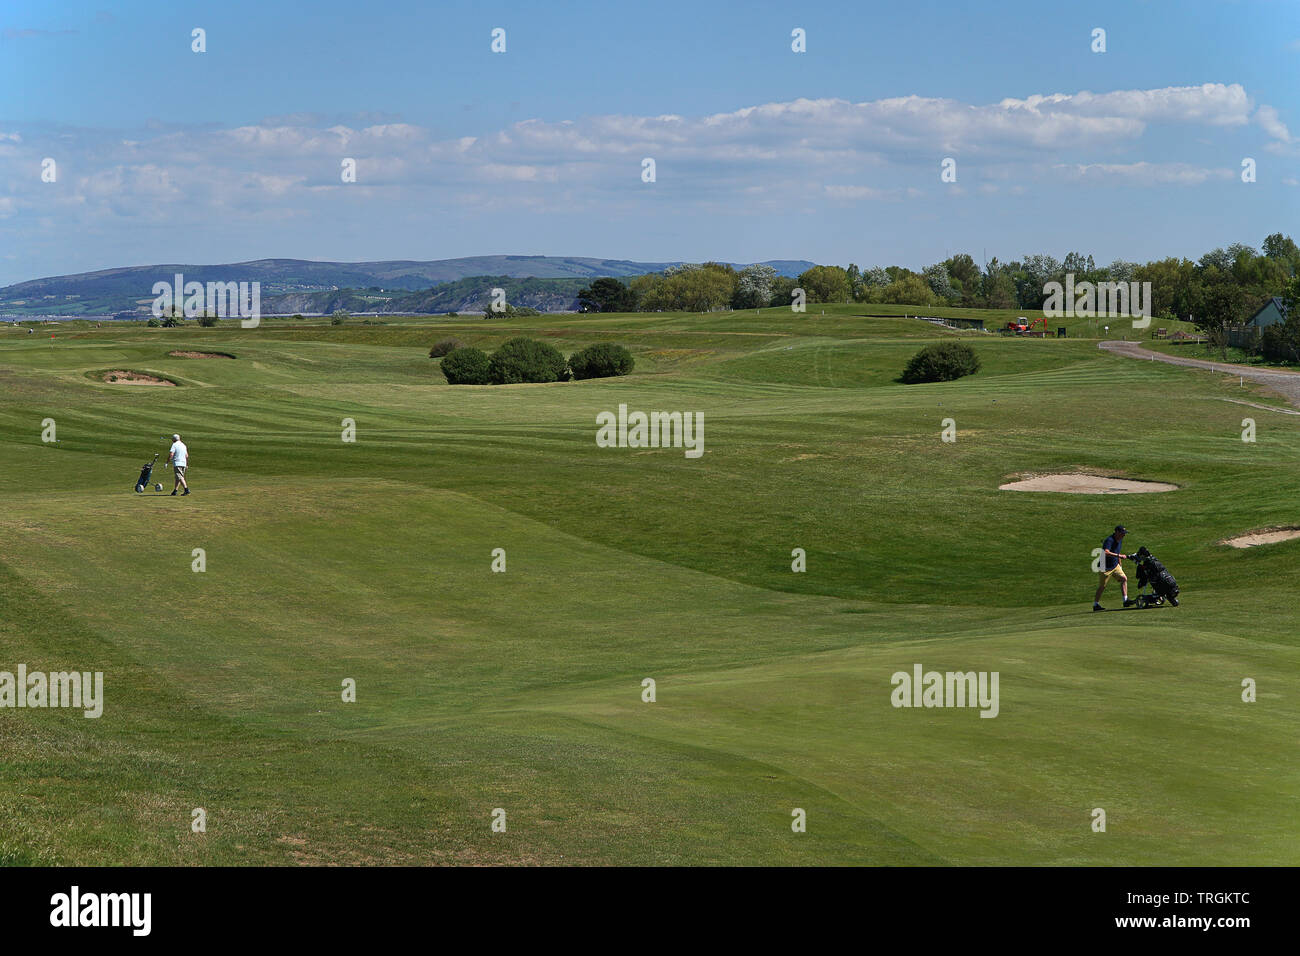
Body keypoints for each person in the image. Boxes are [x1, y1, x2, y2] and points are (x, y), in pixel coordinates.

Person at [1093, 524, 1134, 611]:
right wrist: (1119, 555)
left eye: (1124, 533)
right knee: (1102, 586)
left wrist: (1120, 565)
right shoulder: (1109, 540)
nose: (1124, 535)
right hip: (1105, 567)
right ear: (1117, 532)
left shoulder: (1120, 539)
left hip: (1115, 565)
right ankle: (1095, 605)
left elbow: (1117, 551)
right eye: (1122, 533)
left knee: (1124, 579)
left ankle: (1125, 600)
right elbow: (1106, 552)